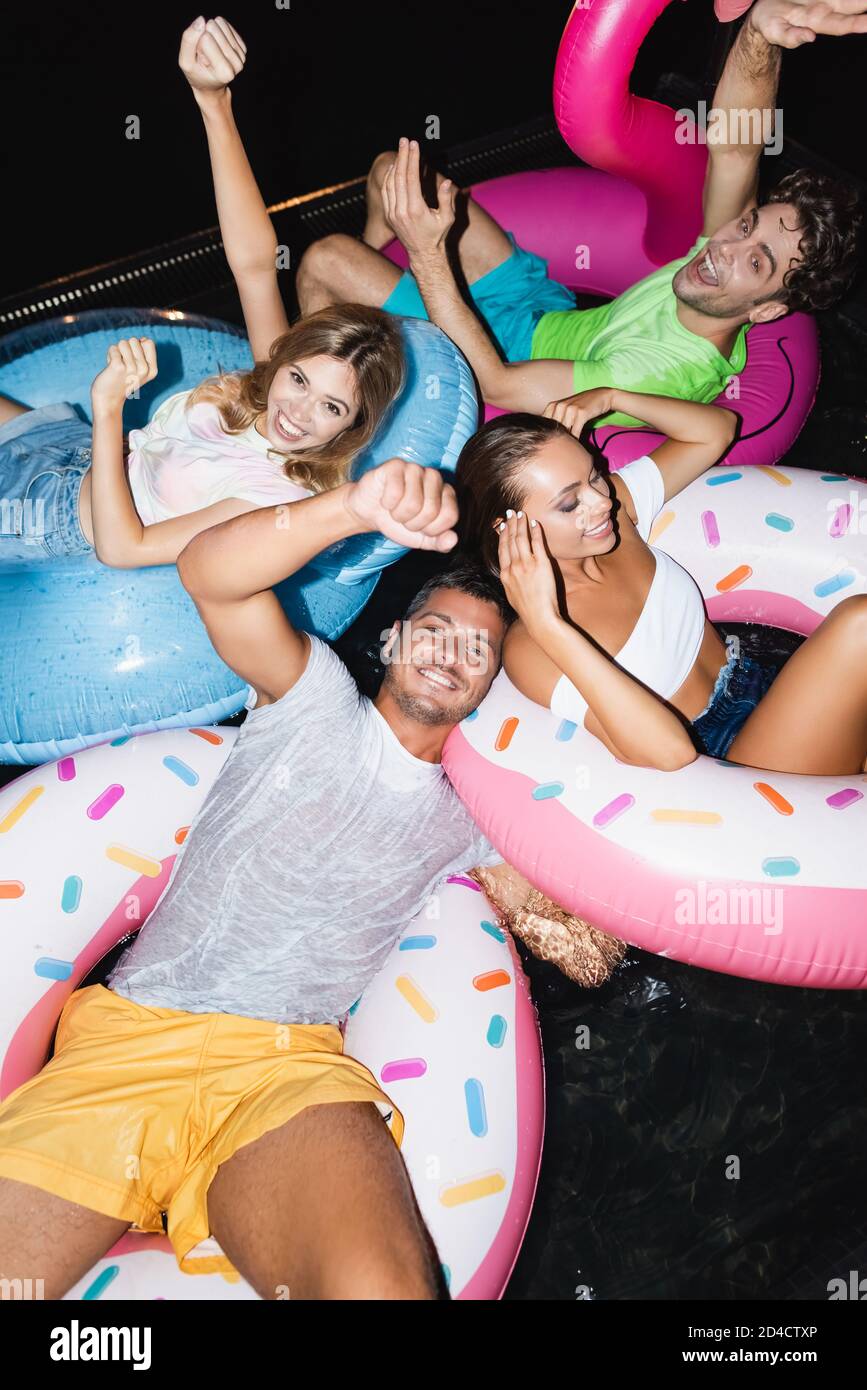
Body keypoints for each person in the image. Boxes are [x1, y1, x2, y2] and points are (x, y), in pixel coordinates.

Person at [0, 457, 517, 1301]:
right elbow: (210, 574)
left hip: (285, 1072)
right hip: (127, 1047)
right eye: (433, 628)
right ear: (390, 639)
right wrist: (352, 505)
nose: (450, 655)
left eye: (479, 649)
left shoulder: (475, 826)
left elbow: (588, 934)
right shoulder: (311, 700)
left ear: (492, 684)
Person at [296, 0, 863, 426]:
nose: (723, 247)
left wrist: (423, 255)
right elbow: (738, 145)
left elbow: (495, 383)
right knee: (393, 171)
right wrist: (763, 32)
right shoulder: (722, 271)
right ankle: (372, 303)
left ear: (765, 311)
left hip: (499, 360)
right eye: (745, 226)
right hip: (544, 316)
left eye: (756, 261)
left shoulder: (661, 371)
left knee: (324, 260)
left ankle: (303, 422)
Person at [0, 17, 404, 570]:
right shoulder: (268, 391)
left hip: (46, 514)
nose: (298, 411)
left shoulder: (277, 495)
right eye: (300, 378)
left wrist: (110, 405)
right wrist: (212, 101)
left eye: (332, 406)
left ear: (353, 425)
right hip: (68, 446)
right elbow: (255, 264)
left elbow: (123, 548)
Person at [457, 389, 867, 777]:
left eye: (594, 475)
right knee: (859, 625)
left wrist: (611, 396)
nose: (601, 502)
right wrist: (549, 623)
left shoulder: (614, 516)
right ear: (508, 527)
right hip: (728, 760)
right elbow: (671, 752)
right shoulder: (532, 646)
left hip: (762, 682)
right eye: (569, 503)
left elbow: (715, 430)